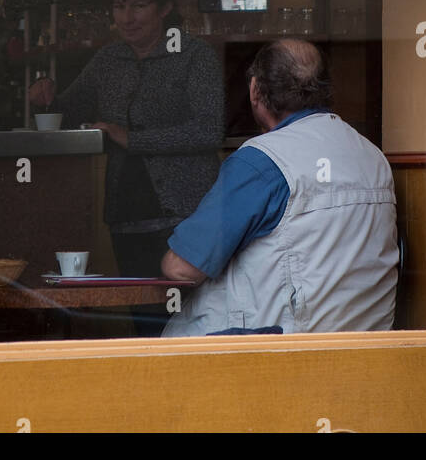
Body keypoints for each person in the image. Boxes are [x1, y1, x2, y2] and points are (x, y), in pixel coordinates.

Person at [159, 38, 398, 336]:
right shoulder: (372, 155)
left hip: (263, 351)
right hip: (362, 346)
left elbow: (182, 268)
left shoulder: (261, 162)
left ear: (255, 89)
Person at [30, 0, 224, 278]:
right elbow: (66, 111)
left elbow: (208, 131)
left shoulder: (194, 56)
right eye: (119, 7)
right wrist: (44, 95)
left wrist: (132, 138)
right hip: (127, 214)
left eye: (139, 6)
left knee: (190, 315)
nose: (127, 18)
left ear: (164, 8)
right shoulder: (108, 60)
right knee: (140, 312)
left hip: (186, 213)